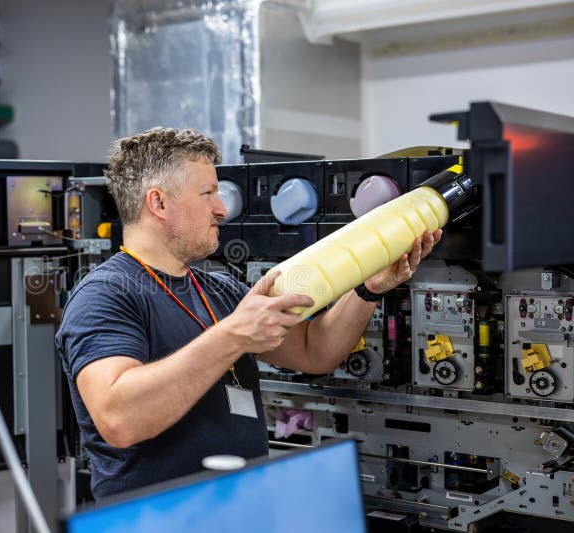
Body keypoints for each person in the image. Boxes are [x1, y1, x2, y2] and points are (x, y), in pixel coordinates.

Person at [56, 127, 441, 499]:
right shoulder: (106, 295)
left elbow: (314, 350)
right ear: (158, 203)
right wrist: (232, 335)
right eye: (208, 193)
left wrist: (368, 289)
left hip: (240, 508)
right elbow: (119, 420)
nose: (222, 209)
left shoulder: (219, 289)